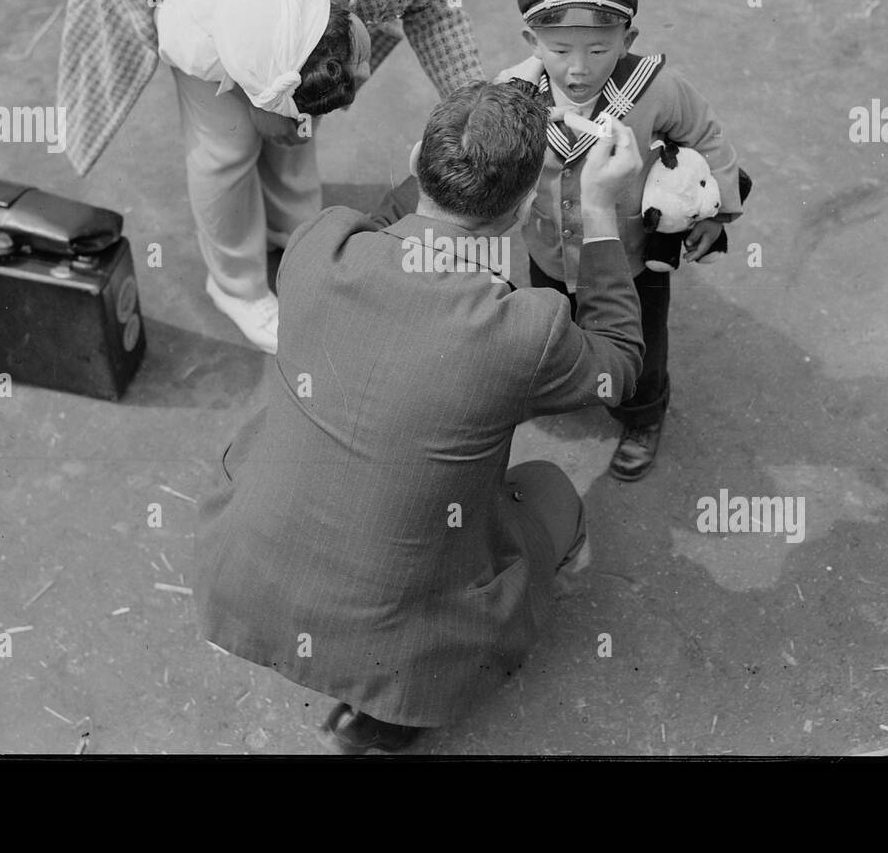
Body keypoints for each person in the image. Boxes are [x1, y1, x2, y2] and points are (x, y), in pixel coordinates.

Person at [193, 82, 645, 753]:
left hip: (236, 576)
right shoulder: (524, 330)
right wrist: (603, 211)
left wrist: (466, 140)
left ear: (417, 159)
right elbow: (621, 365)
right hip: (389, 632)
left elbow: (390, 221)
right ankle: (395, 709)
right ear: (523, 209)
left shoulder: (319, 244)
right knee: (550, 488)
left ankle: (380, 685)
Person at [57, 0, 484, 353]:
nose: (362, 70)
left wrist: (477, 98)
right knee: (225, 149)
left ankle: (294, 230)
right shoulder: (190, 29)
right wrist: (268, 111)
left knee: (298, 132)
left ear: (343, 9)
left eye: (354, 53)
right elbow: (266, 92)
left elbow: (436, 5)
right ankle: (236, 286)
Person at [498, 0, 745, 481]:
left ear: (628, 40)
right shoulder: (517, 93)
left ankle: (640, 415)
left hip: (631, 259)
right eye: (560, 49)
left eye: (599, 48)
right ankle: (572, 379)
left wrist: (717, 213)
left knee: (642, 348)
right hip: (548, 248)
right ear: (532, 44)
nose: (579, 67)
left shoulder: (656, 90)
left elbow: (708, 136)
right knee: (554, 322)